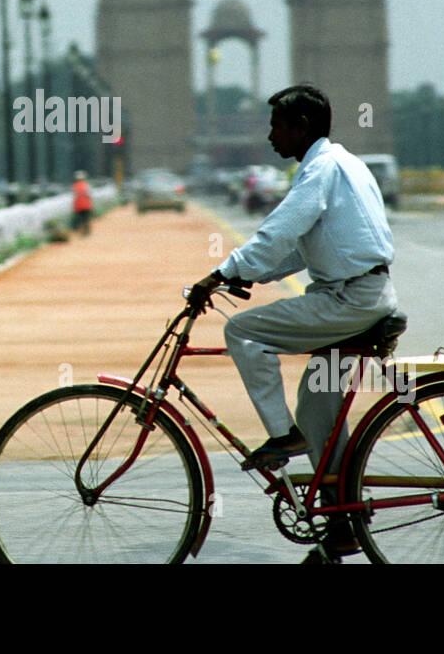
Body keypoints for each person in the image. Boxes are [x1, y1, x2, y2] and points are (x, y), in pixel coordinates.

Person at [186, 84, 399, 562]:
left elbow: (279, 230)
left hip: (348, 301)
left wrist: (221, 272)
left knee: (241, 331)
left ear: (300, 127)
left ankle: (284, 437)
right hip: (368, 294)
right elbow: (303, 247)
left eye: (275, 127)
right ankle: (343, 527)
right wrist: (249, 274)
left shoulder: (317, 171)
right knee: (319, 407)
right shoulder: (345, 162)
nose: (269, 137)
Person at [71, 170, 93, 235]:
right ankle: (86, 231)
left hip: (78, 206)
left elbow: (74, 195)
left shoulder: (74, 185)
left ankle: (80, 231)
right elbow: (90, 194)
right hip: (86, 205)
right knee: (86, 219)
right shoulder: (86, 185)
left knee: (80, 219)